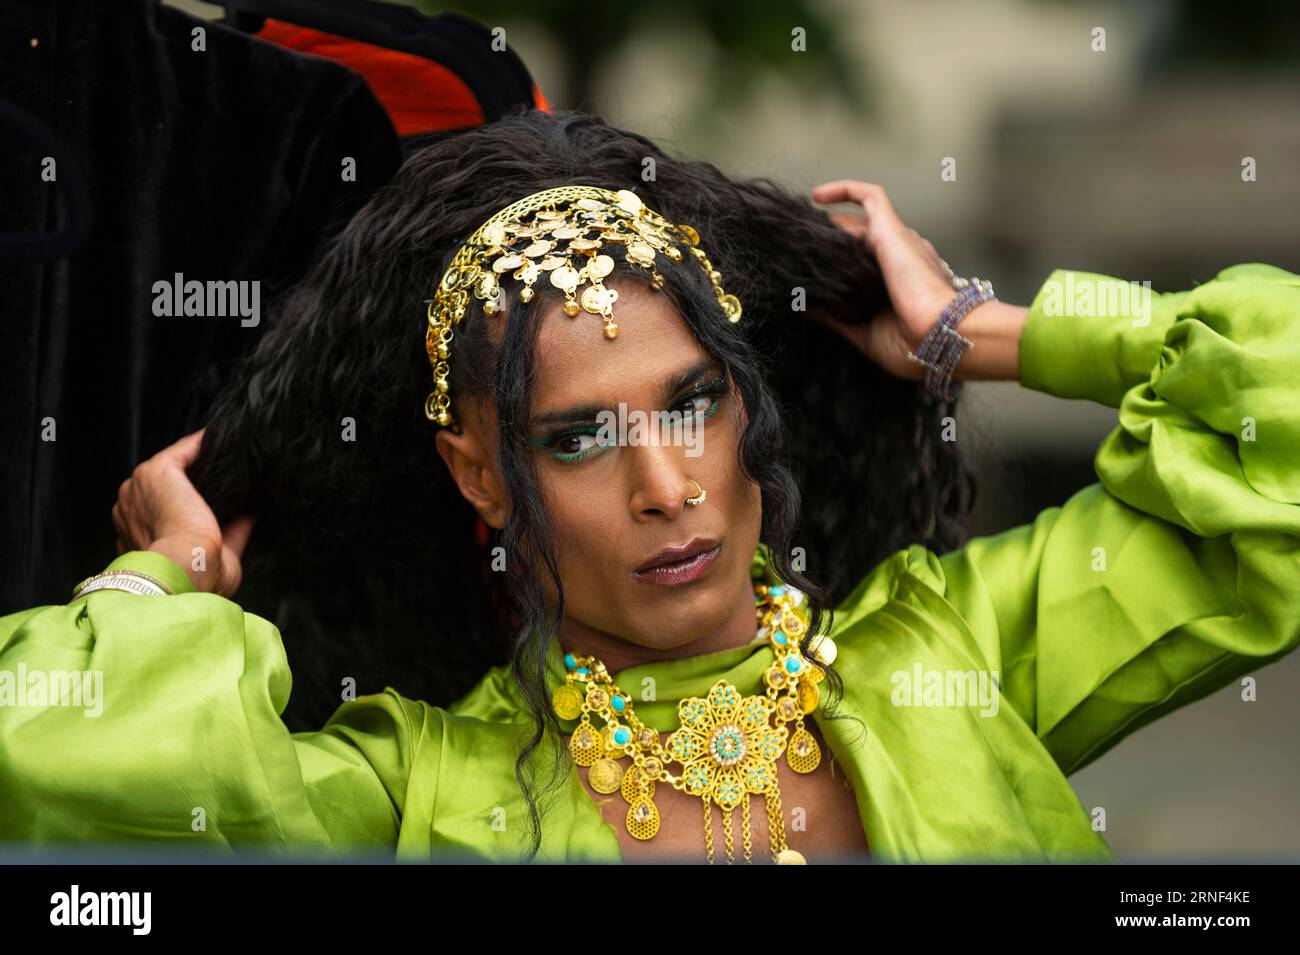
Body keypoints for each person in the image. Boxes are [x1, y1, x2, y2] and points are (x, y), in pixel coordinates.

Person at [1, 109, 1297, 865]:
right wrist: (160, 567)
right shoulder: (434, 797)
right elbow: (41, 746)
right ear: (480, 475)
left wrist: (983, 334)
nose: (668, 485)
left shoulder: (961, 660)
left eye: (690, 404)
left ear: (749, 409)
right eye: (577, 439)